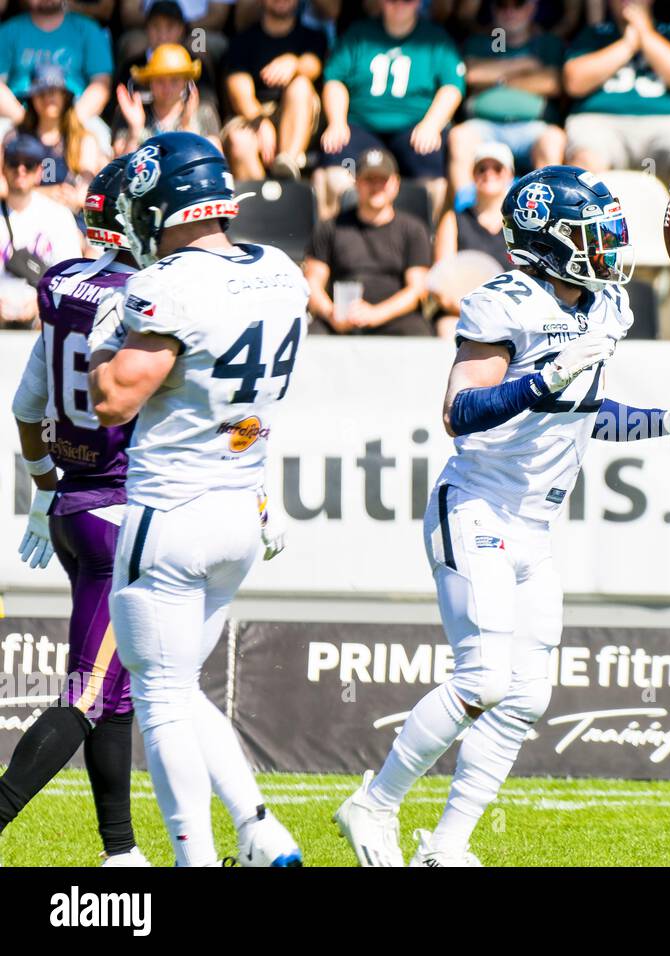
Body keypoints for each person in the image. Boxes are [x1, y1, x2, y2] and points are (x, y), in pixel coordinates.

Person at [333, 164, 670, 867]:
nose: (606, 243)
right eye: (590, 232)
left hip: (534, 529)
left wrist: (667, 422)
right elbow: (459, 414)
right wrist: (543, 375)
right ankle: (374, 803)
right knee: (481, 679)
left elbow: (587, 418)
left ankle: (445, 845)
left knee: (526, 697)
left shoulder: (603, 307)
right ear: (549, 240)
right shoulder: (503, 302)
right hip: (477, 503)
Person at [86, 131, 303, 868]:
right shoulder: (279, 269)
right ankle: (260, 827)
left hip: (170, 510)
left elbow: (113, 400)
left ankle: (194, 858)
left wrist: (101, 334)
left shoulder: (168, 284)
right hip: (240, 509)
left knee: (162, 701)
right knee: (180, 683)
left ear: (164, 205)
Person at [0, 158, 149, 868]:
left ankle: (119, 851)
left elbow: (27, 408)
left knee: (111, 695)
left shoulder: (66, 286)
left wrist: (43, 491)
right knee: (89, 693)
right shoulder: (148, 296)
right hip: (121, 515)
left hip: (72, 509)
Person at [319, 0, 465, 212]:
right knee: (331, 174)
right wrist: (336, 122)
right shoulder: (358, 33)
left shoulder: (436, 39)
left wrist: (432, 125)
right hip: (361, 125)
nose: (399, 5)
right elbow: (334, 79)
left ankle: (426, 240)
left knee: (436, 182)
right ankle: (337, 239)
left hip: (414, 128)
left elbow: (452, 86)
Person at [562, 0, 670, 179]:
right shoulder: (595, 34)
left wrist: (646, 35)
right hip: (601, 122)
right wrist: (629, 43)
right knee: (584, 162)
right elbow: (574, 82)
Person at [304, 147, 433, 336]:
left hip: (395, 318)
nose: (376, 186)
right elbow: (313, 282)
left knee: (420, 336)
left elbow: (417, 291)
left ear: (395, 184)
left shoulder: (413, 229)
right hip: (339, 318)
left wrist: (376, 314)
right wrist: (331, 313)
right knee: (313, 338)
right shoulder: (330, 227)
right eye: (369, 179)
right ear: (357, 183)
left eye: (383, 180)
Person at [446, 0, 564, 205]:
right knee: (458, 136)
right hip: (484, 127)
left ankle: (545, 213)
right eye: (502, 5)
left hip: (532, 129)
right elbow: (471, 74)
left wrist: (496, 78)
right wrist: (524, 66)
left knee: (553, 138)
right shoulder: (489, 40)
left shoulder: (546, 42)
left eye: (518, 4)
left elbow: (552, 82)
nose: (509, 11)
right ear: (493, 9)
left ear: (532, 7)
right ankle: (467, 216)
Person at [222, 0, 327, 181]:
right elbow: (239, 91)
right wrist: (260, 121)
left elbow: (314, 65)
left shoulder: (314, 37)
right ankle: (263, 201)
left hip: (299, 114)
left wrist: (295, 63)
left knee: (300, 85)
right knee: (239, 142)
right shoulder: (242, 40)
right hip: (254, 113)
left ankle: (287, 167)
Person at [0, 133, 87, 328]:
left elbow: (70, 276)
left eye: (29, 165)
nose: (21, 170)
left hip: (43, 321)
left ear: (40, 171)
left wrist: (41, 305)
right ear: (4, 168)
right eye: (14, 163)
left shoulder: (58, 216)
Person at [432, 141, 514, 335]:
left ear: (510, 175)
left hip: (510, 314)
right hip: (462, 313)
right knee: (446, 329)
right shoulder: (453, 220)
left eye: (497, 168)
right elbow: (442, 282)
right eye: (482, 168)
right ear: (473, 174)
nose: (489, 174)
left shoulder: (519, 225)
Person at [0, 0, 113, 127]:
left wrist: (72, 122)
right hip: (18, 114)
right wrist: (24, 120)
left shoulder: (88, 29)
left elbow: (101, 83)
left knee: (96, 142)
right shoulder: (7, 31)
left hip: (77, 114)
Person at [16, 65, 106, 213]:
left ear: (64, 96)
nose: (47, 98)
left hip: (70, 220)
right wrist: (44, 194)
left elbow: (88, 188)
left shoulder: (82, 139)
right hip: (26, 219)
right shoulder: (17, 136)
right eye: (40, 93)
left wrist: (75, 197)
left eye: (52, 92)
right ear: (32, 99)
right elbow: (3, 184)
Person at [112, 44, 220, 155]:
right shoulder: (131, 113)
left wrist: (187, 125)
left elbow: (216, 161)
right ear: (150, 83)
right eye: (159, 80)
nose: (167, 88)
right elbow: (120, 167)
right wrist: (134, 130)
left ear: (186, 83)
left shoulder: (204, 111)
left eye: (174, 80)